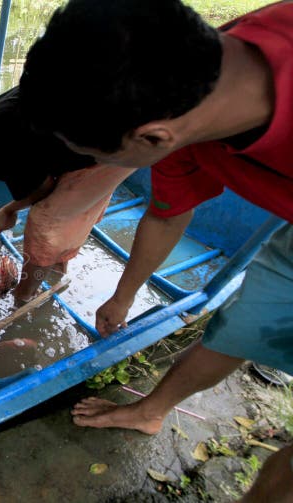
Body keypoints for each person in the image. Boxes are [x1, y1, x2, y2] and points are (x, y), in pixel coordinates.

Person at [19, 0, 293, 501]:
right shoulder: (190, 93)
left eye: (96, 157)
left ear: (149, 138)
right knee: (241, 324)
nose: (92, 164)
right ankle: (150, 410)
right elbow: (167, 213)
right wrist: (123, 298)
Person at [0, 87, 135, 299]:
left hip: (115, 147)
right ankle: (55, 267)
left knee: (44, 221)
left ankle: (24, 296)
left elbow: (45, 189)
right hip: (88, 133)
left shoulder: (3, 142)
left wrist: (9, 209)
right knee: (59, 215)